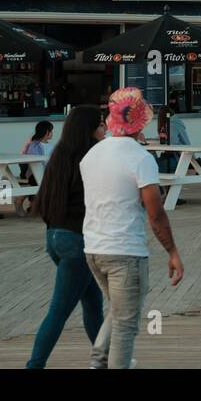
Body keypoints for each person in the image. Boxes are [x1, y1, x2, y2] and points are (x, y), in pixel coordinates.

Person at [81, 88, 183, 369]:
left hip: (94, 248)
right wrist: (172, 251)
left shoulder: (92, 155)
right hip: (125, 251)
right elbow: (156, 213)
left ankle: (98, 362)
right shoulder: (140, 158)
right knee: (126, 325)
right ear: (140, 124)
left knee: (117, 311)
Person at [26, 107, 106, 368]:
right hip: (78, 241)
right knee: (58, 312)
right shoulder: (91, 158)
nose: (105, 129)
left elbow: (46, 200)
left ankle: (106, 359)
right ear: (89, 129)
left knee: (93, 303)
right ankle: (34, 365)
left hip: (54, 237)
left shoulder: (59, 154)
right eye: (101, 125)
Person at [17, 120, 55, 215]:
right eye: (51, 131)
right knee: (44, 183)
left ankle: (35, 206)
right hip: (35, 174)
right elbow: (33, 160)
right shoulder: (34, 145)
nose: (52, 133)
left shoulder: (51, 145)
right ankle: (30, 203)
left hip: (48, 173)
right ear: (46, 132)